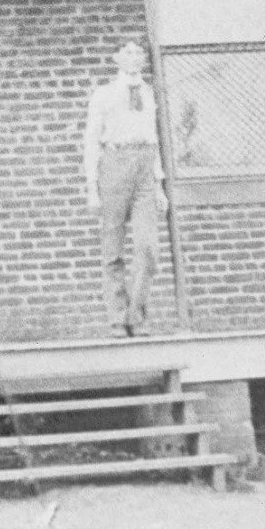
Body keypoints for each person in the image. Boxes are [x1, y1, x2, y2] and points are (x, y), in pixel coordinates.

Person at [82, 41, 168, 337]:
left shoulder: (149, 93)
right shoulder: (104, 94)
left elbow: (154, 138)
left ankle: (136, 316)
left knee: (148, 248)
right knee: (113, 248)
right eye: (128, 53)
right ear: (117, 58)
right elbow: (92, 139)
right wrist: (92, 186)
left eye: (138, 53)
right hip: (114, 164)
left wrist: (158, 185)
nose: (134, 58)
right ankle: (118, 317)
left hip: (144, 167)